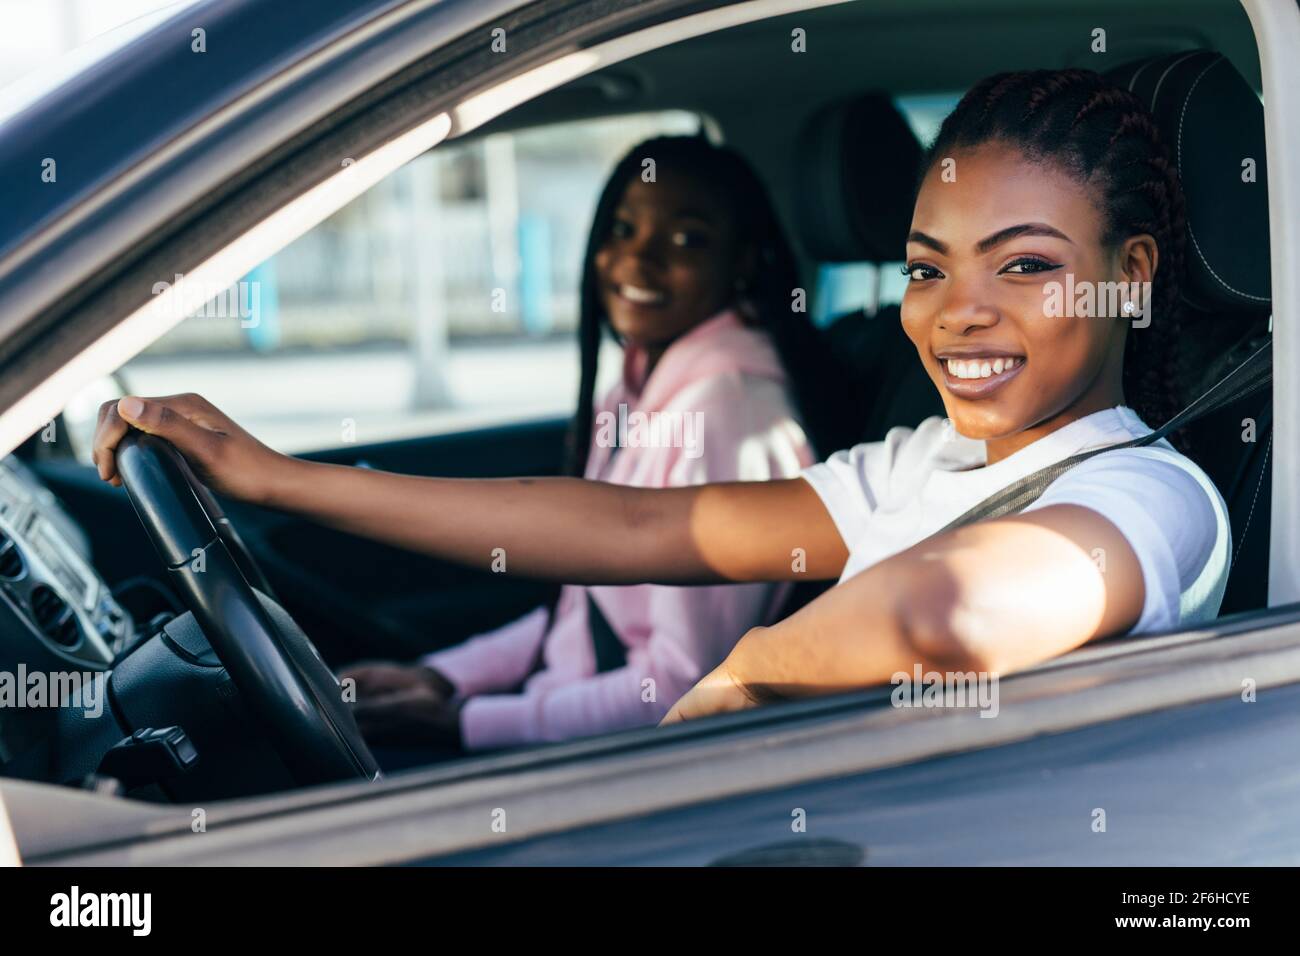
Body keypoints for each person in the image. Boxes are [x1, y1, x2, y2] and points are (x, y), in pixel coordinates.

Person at [92, 69, 1228, 737]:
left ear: (1128, 273)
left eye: (1022, 266)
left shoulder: (1154, 496)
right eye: (927, 270)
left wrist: (731, 681)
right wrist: (281, 476)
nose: (955, 313)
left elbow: (950, 613)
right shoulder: (917, 466)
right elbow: (634, 527)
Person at [99, 136, 855, 755]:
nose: (637, 263)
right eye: (623, 230)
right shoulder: (649, 382)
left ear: (744, 263)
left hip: (629, 760)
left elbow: (683, 682)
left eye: (686, 239)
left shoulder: (728, 414)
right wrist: (444, 680)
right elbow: (582, 611)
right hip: (569, 722)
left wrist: (474, 724)